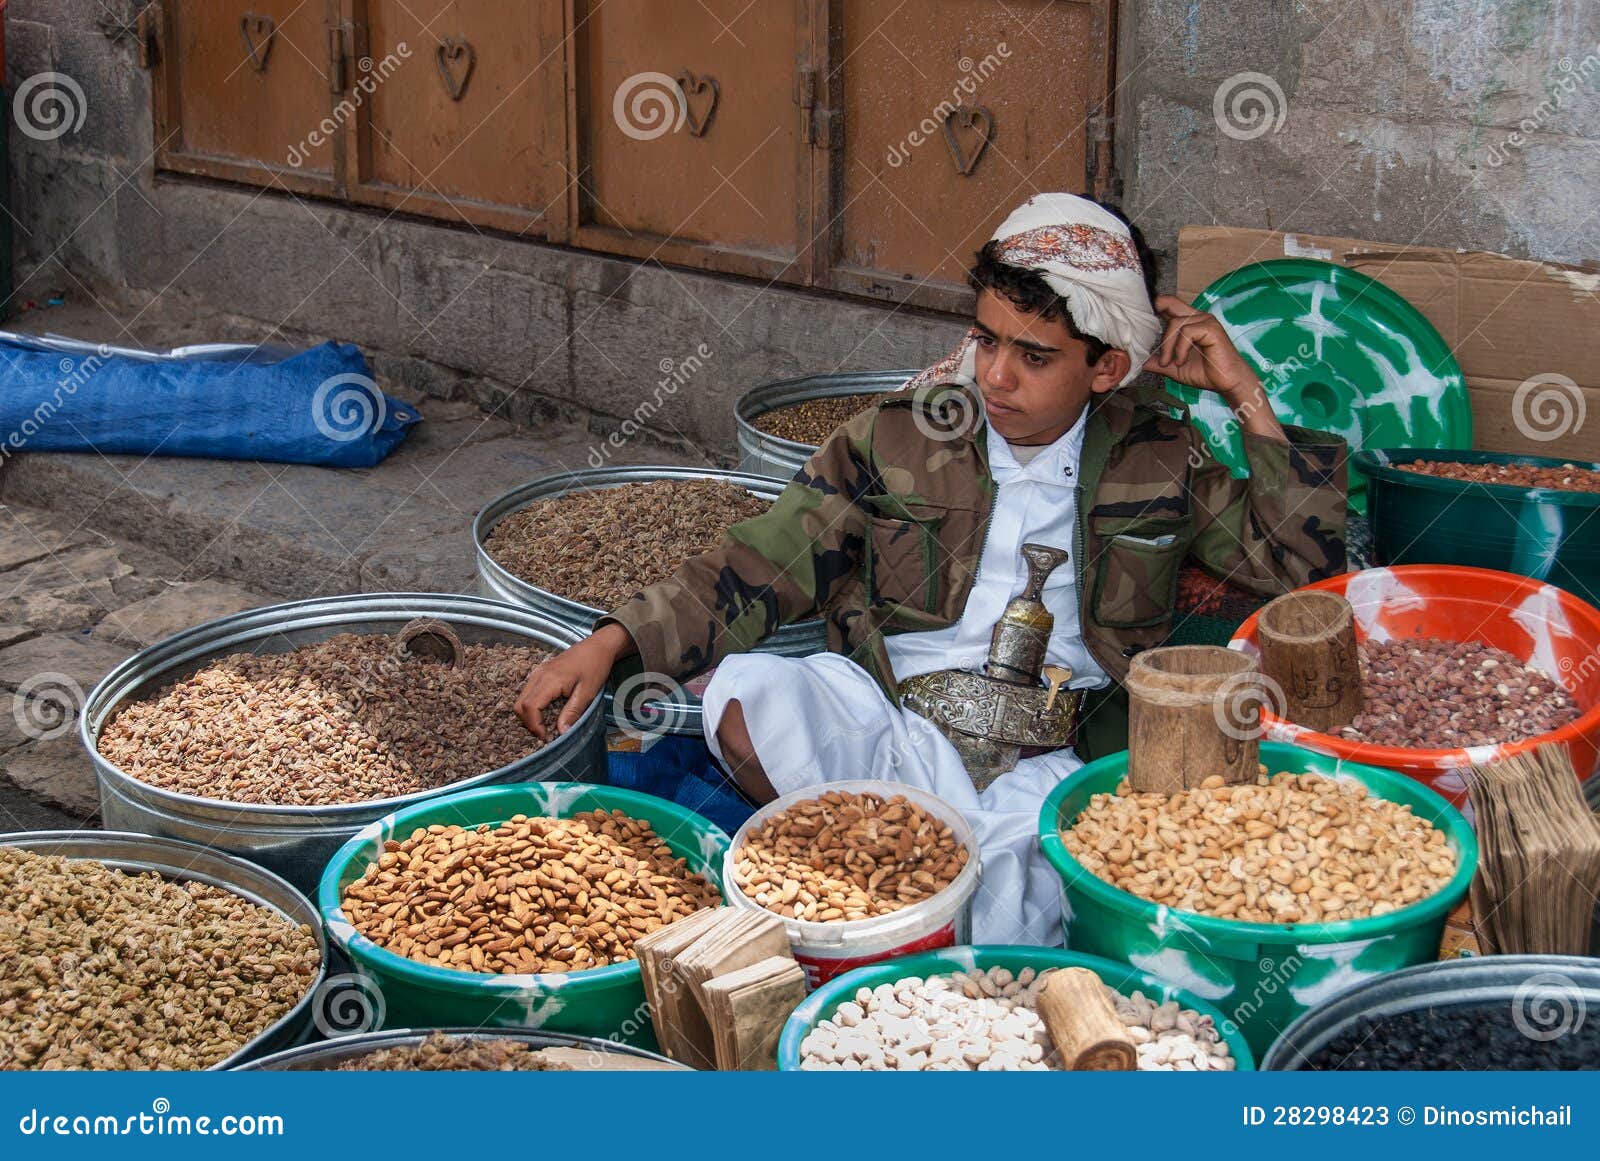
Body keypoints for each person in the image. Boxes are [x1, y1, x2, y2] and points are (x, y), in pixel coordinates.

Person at [515, 193, 1347, 944]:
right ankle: (882, 870)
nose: (995, 375)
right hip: (894, 729)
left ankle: (903, 908)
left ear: (1107, 367)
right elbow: (766, 556)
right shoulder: (905, 436)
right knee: (748, 695)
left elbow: (1299, 569)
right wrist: (614, 641)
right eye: (986, 340)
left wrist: (1244, 393)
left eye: (1035, 356)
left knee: (1013, 916)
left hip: (1048, 760)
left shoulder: (1157, 455)